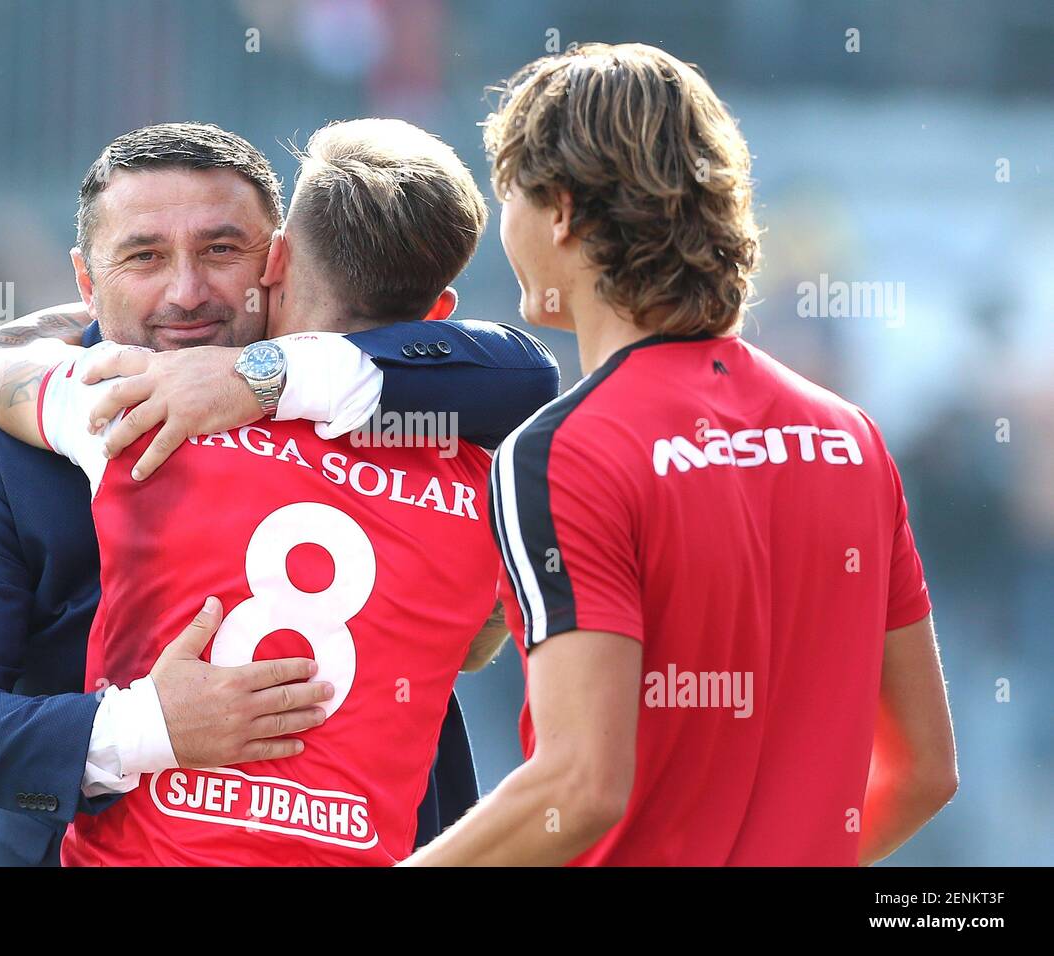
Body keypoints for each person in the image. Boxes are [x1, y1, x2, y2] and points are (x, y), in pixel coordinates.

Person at [0, 122, 558, 866]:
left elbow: (525, 370)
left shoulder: (394, 406)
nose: (186, 293)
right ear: (88, 281)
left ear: (278, 259)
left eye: (219, 251)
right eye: (144, 256)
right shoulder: (6, 438)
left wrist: (264, 376)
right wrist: (145, 726)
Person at [403, 43, 957, 866]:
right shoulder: (850, 438)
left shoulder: (560, 454)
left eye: (508, 195)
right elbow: (924, 772)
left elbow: (579, 786)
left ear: (560, 210)